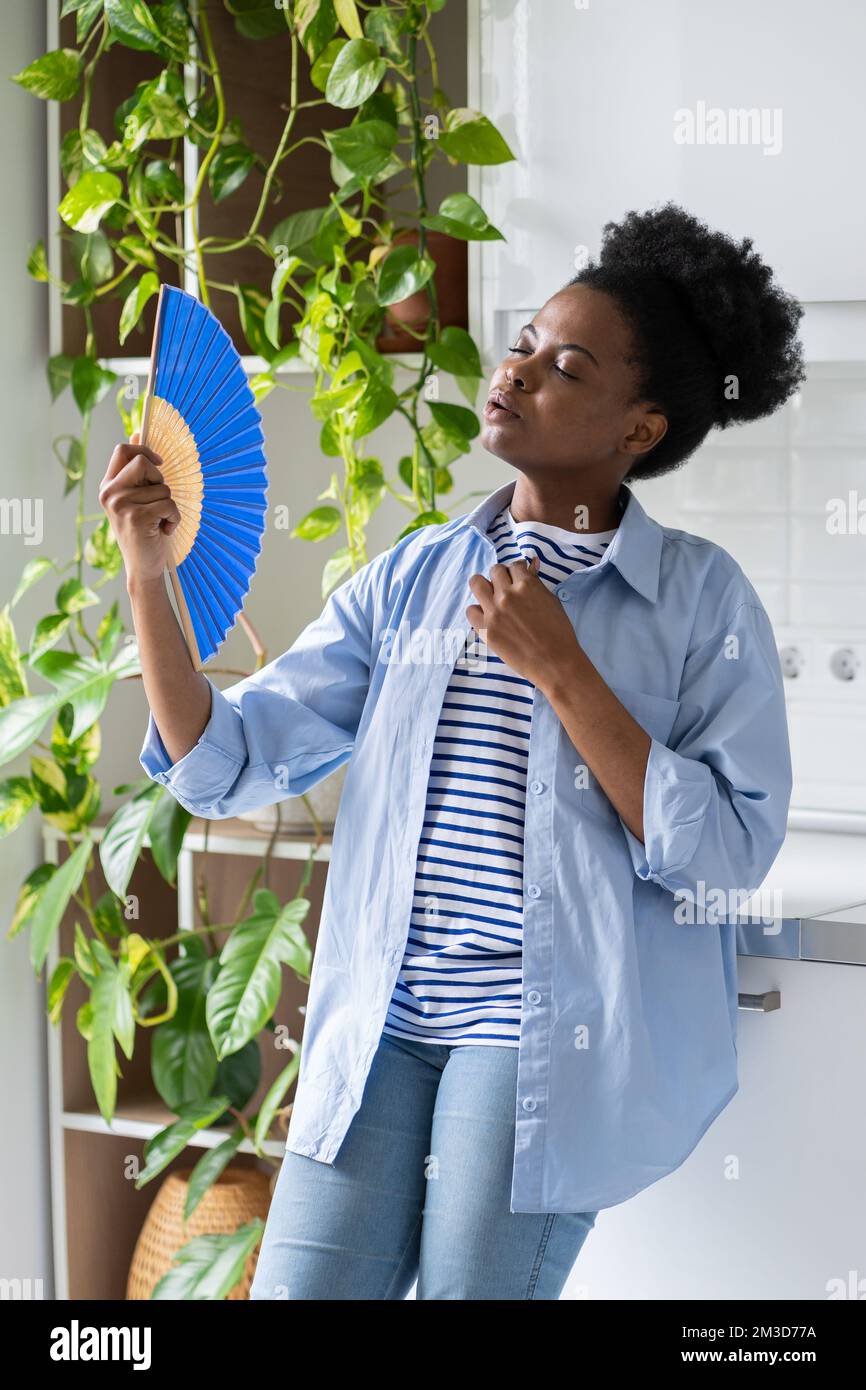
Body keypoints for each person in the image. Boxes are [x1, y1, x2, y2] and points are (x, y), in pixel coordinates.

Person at [100, 202, 803, 1300]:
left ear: (639, 428)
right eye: (521, 345)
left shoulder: (699, 600)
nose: (516, 372)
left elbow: (721, 855)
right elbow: (221, 761)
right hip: (380, 1018)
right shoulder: (415, 574)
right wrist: (149, 574)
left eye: (564, 365)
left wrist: (563, 668)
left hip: (534, 1040)